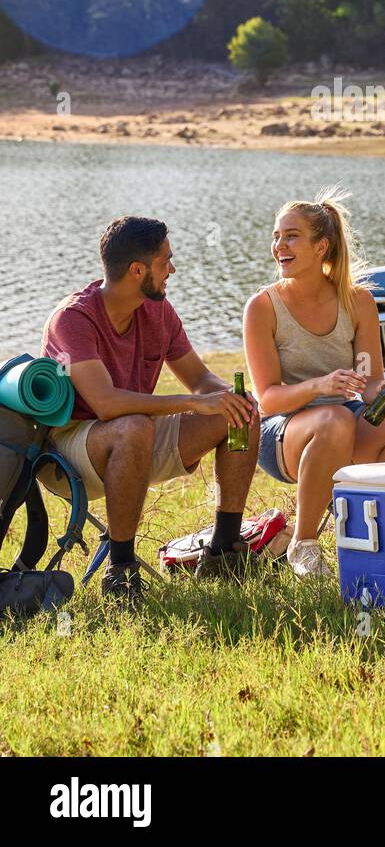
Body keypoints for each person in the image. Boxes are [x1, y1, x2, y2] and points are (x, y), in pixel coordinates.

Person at [42, 216, 259, 604]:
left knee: (241, 412)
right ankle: (121, 572)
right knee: (133, 426)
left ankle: (223, 552)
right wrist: (194, 402)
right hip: (69, 453)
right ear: (137, 270)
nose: (171, 269)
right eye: (165, 262)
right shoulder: (73, 319)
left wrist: (231, 396)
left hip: (134, 439)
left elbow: (200, 379)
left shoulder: (157, 311)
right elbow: (106, 404)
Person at [244, 189, 385, 579]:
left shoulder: (358, 302)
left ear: (320, 246)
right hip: (284, 432)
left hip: (344, 420)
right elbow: (269, 400)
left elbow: (369, 380)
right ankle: (303, 545)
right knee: (333, 420)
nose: (279, 245)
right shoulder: (263, 307)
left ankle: (381, 531)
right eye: (277, 236)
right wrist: (320, 385)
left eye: (291, 236)